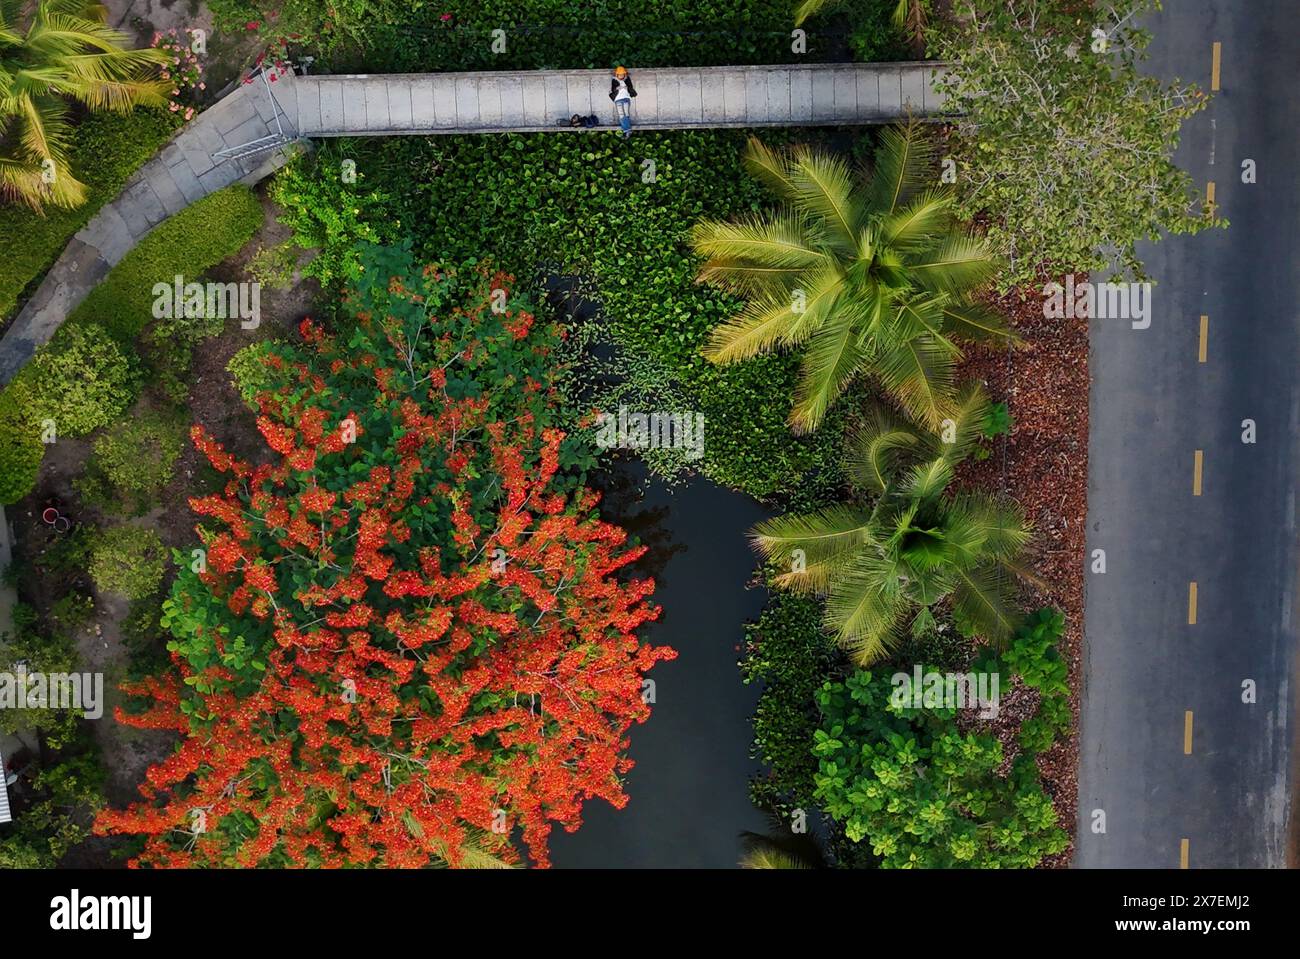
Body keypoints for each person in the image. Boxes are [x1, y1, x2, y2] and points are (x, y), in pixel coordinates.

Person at [609, 65, 637, 138]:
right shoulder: (614, 80)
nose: (621, 76)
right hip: (618, 99)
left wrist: (626, 87)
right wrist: (618, 88)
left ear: (625, 74)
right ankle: (627, 130)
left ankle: (627, 131)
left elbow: (631, 87)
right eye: (619, 75)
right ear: (617, 74)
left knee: (626, 114)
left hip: (626, 99)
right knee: (621, 115)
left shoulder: (627, 79)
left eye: (622, 74)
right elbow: (613, 89)